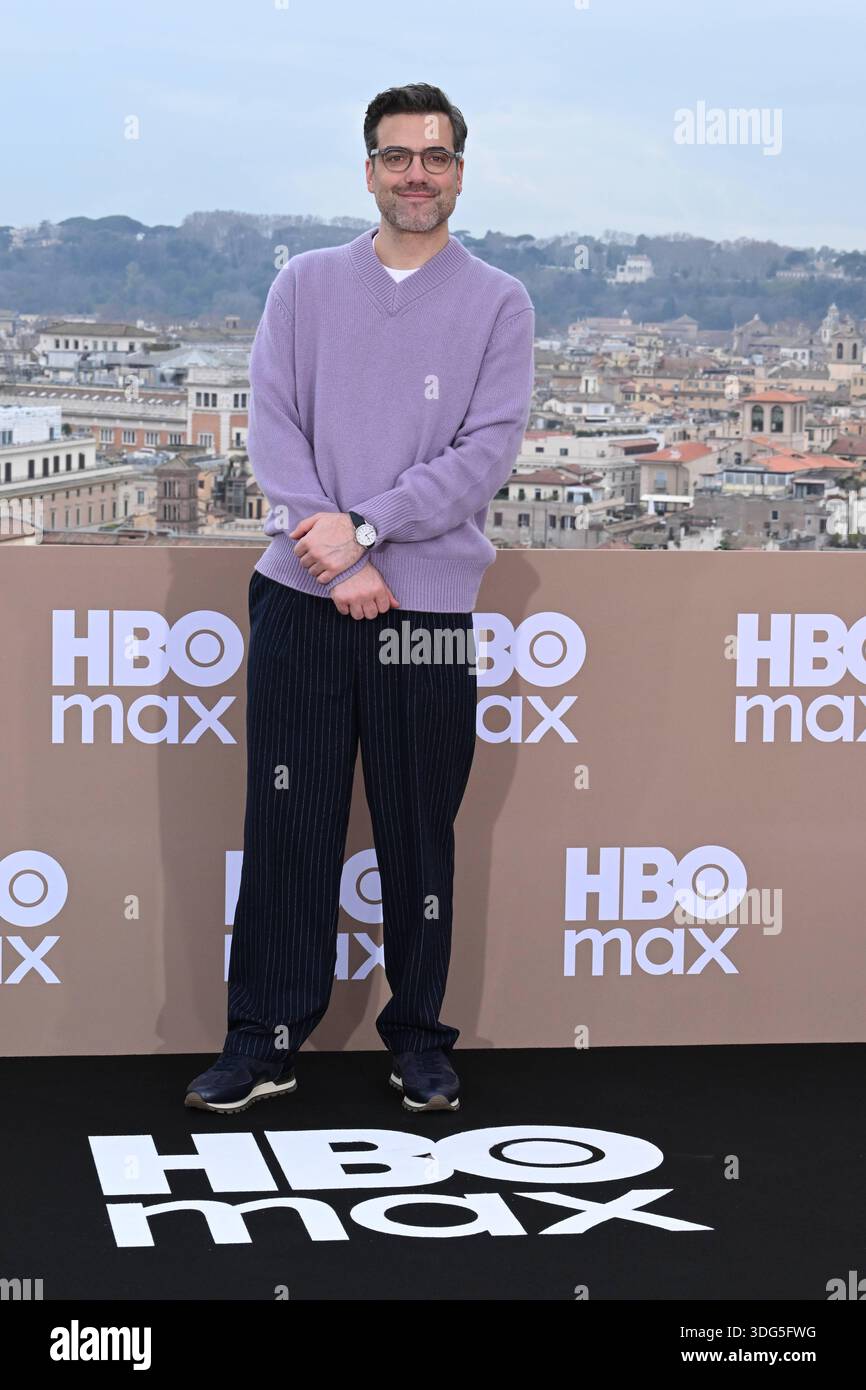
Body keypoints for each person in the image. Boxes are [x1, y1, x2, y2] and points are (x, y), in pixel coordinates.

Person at [185, 81, 535, 1115]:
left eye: (432, 157)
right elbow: (273, 431)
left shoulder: (498, 302)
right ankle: (263, 1037)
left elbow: (485, 455)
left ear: (458, 173)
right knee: (286, 820)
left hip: (424, 612)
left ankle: (419, 1036)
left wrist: (367, 530)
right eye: (395, 156)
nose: (414, 174)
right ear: (369, 168)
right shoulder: (301, 286)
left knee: (419, 827)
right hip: (300, 596)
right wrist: (338, 558)